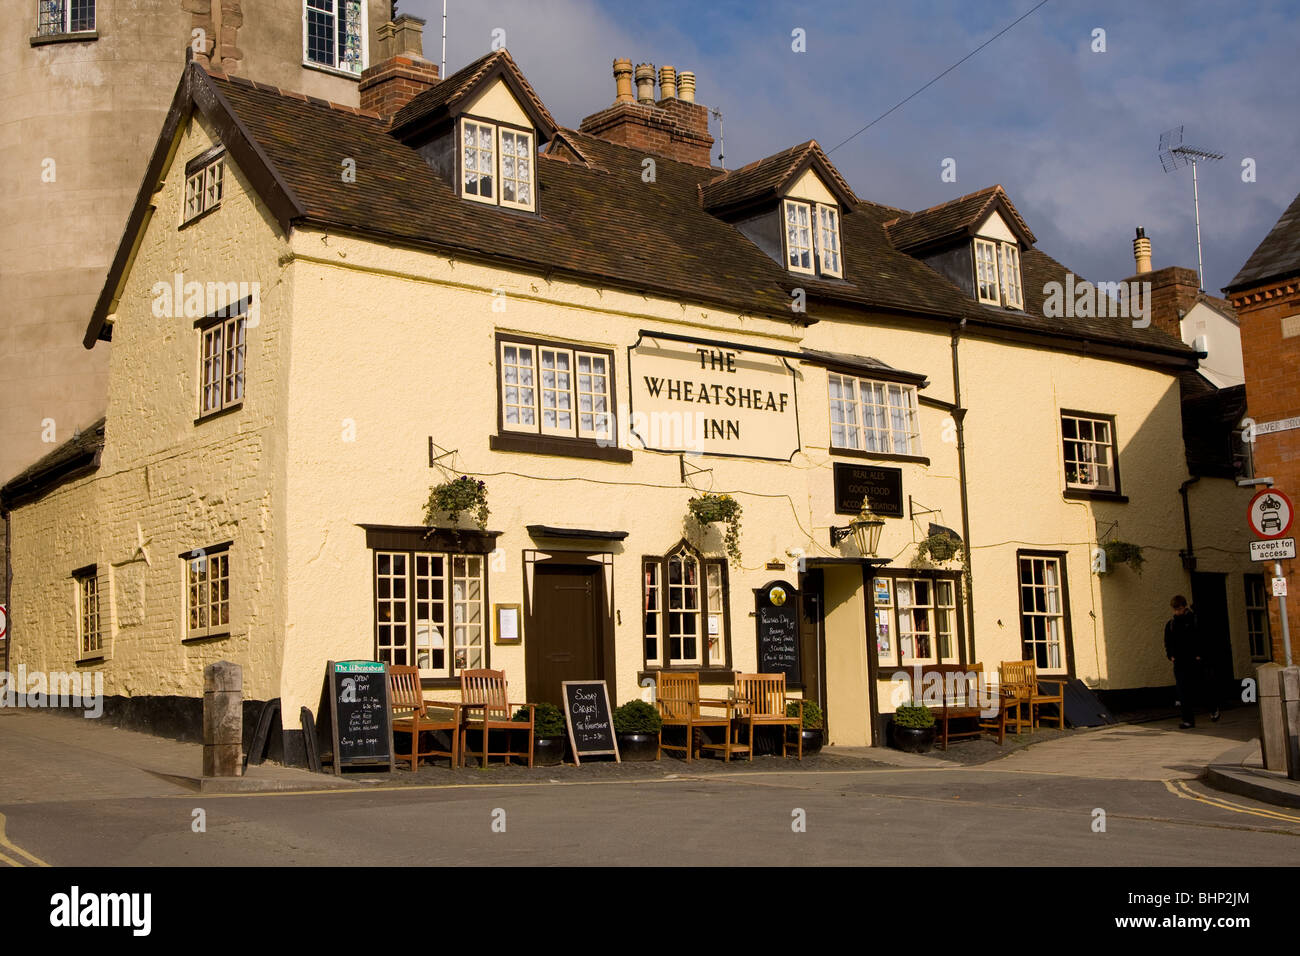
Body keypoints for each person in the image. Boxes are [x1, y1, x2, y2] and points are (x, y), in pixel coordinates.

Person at [1163, 595, 1220, 728]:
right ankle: (1188, 720)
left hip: (1194, 660)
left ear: (1185, 607)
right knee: (1182, 691)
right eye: (1175, 609)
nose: (1177, 612)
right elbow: (1167, 642)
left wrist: (1199, 654)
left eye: (1180, 609)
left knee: (1201, 686)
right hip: (1179, 661)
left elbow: (1202, 637)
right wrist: (1170, 655)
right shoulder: (1171, 624)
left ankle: (1213, 708)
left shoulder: (1194, 620)